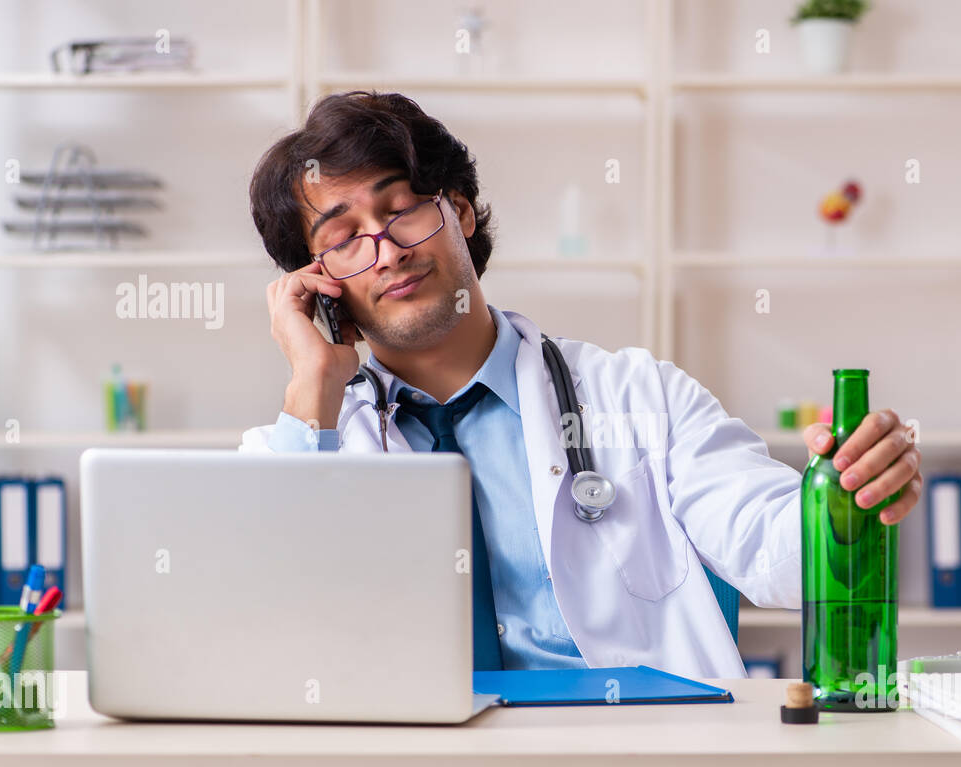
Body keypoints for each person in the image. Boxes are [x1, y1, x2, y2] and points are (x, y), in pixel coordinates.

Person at [240, 91, 923, 679]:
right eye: (345, 238)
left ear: (460, 211)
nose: (387, 250)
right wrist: (314, 385)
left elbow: (780, 556)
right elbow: (260, 634)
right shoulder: (302, 443)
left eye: (402, 209)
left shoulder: (643, 399)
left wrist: (847, 494)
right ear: (317, 282)